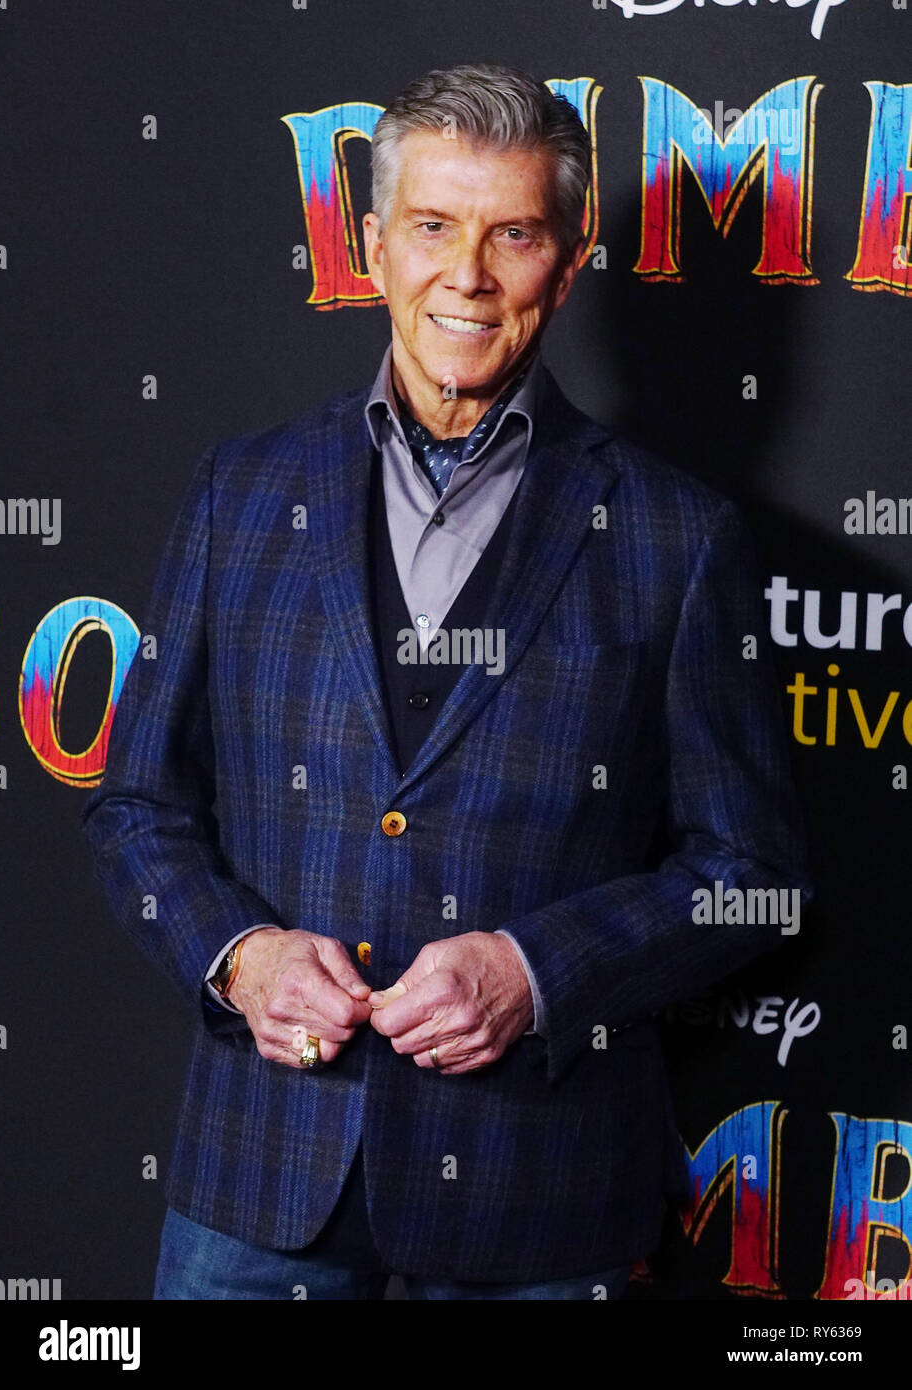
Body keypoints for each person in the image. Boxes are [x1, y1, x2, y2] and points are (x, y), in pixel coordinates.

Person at [81, 62, 813, 1300]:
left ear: (566, 265)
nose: (465, 277)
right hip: (262, 1187)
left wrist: (535, 972)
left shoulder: (674, 540)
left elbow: (752, 876)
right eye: (431, 227)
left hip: (541, 1209)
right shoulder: (241, 492)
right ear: (372, 245)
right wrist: (241, 954)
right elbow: (134, 803)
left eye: (511, 234)